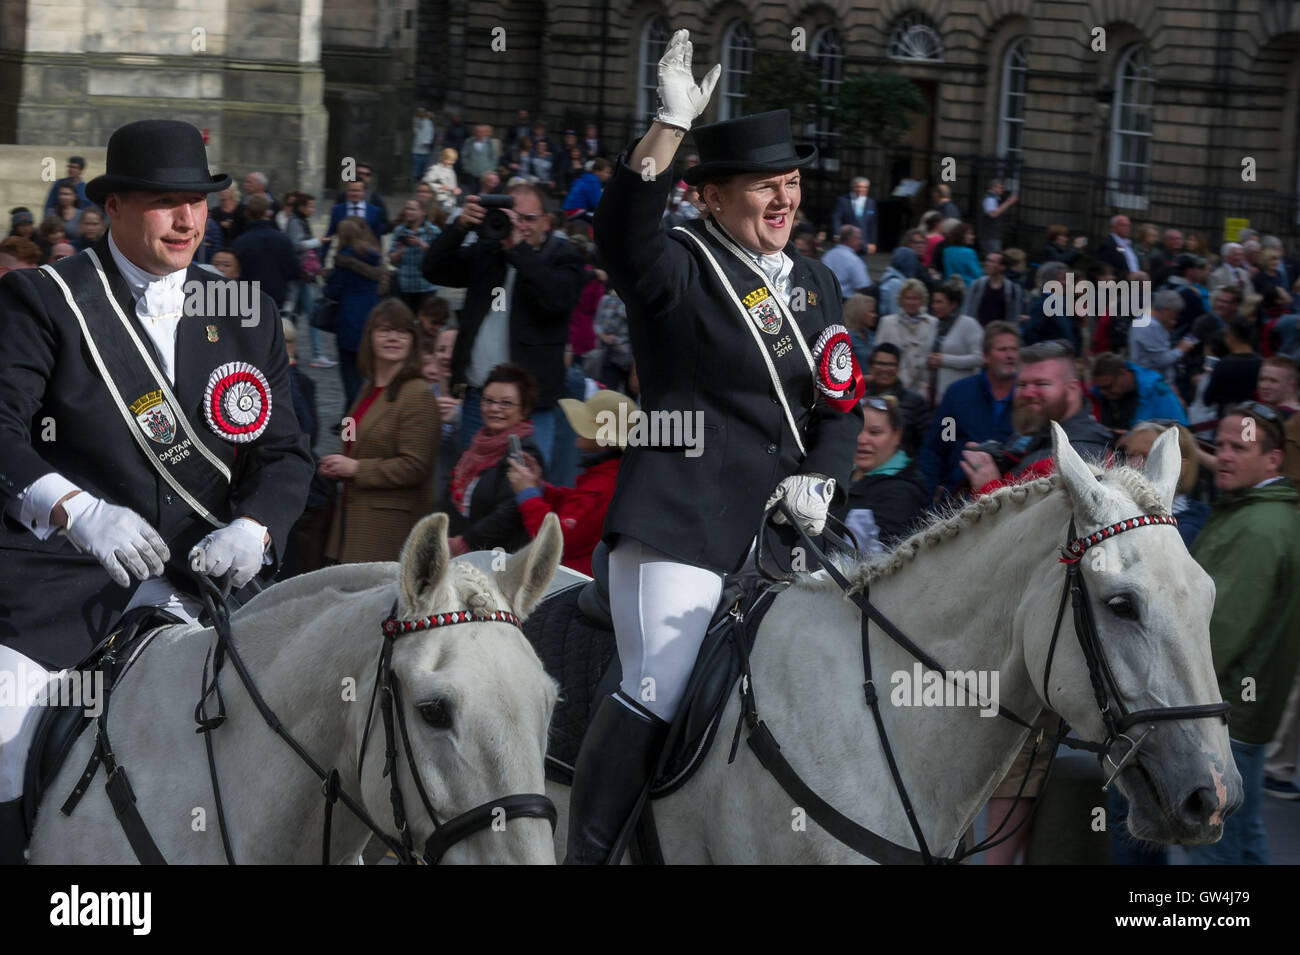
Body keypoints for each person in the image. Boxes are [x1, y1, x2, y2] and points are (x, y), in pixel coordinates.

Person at [572, 30, 863, 865]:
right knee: (659, 686)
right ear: (711, 197)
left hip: (779, 533)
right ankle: (587, 852)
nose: (785, 200)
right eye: (766, 187)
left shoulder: (817, 283)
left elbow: (841, 403)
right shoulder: (682, 266)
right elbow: (622, 235)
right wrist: (667, 127)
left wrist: (824, 479)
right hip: (682, 523)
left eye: (794, 183)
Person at [0, 121, 313, 862]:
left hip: (203, 587)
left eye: (198, 202)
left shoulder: (245, 310)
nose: (187, 220)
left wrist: (257, 529)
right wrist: (77, 510)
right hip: (64, 586)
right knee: (6, 735)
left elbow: (287, 454)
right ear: (112, 207)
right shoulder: (47, 300)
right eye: (165, 202)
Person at [1184, 404, 1300, 864]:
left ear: (1273, 460)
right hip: (1245, 714)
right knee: (1245, 835)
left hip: (1222, 715)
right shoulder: (1252, 510)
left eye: (1240, 447)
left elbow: (1219, 635)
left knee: (1212, 846)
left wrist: (1176, 704)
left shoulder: (1258, 527)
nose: (1225, 457)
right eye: (1221, 446)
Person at [422, 180, 586, 466]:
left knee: (525, 486)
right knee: (472, 486)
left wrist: (519, 250)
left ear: (547, 222)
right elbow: (433, 270)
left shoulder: (564, 257)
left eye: (527, 219)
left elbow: (557, 299)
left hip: (532, 406)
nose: (519, 225)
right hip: (480, 399)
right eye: (512, 217)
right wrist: (460, 226)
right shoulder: (488, 250)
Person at [321, 301, 440, 563]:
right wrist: (338, 462)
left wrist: (355, 469)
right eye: (384, 330)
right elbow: (352, 437)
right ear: (370, 337)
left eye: (402, 331)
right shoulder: (368, 390)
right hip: (354, 520)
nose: (393, 337)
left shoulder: (417, 394)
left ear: (412, 340)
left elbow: (415, 466)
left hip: (388, 527)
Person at [958, 341, 1113, 496]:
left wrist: (989, 488)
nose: (1028, 393)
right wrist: (1000, 458)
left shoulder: (1071, 460)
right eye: (1022, 385)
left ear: (1071, 390)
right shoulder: (1042, 428)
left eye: (1041, 383)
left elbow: (1041, 519)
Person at [506, 389, 631, 575]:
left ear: (606, 440)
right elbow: (575, 506)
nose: (576, 428)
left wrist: (528, 495)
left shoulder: (602, 485)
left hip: (572, 584)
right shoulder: (607, 474)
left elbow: (556, 541)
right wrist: (539, 487)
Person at [439, 362, 546, 556]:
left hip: (494, 558)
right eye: (488, 401)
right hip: (459, 551)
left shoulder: (523, 452)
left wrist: (465, 542)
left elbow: (509, 512)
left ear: (525, 409)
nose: (494, 409)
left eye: (506, 403)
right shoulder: (476, 446)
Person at [919, 321, 1019, 499]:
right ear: (986, 356)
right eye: (1003, 350)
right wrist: (930, 494)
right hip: (958, 496)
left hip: (1013, 497)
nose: (1010, 355)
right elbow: (938, 445)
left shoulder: (1028, 397)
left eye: (1014, 349)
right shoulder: (959, 394)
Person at [835, 395, 927, 551]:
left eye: (875, 432)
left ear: (896, 436)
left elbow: (887, 563)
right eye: (857, 430)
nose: (863, 439)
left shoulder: (902, 493)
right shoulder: (838, 474)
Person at [323, 217, 386, 408]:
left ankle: (352, 426)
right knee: (365, 373)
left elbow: (335, 291)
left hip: (349, 320)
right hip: (372, 318)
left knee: (351, 378)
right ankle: (350, 419)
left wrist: (328, 281)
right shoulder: (374, 257)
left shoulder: (344, 259)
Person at [283, 192, 332, 369]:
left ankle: (290, 352)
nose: (312, 209)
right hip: (299, 276)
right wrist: (317, 242)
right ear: (302, 207)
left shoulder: (298, 220)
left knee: (295, 314)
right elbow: (296, 245)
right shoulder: (296, 222)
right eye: (310, 206)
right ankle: (314, 354)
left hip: (301, 276)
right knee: (298, 314)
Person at [1089, 352, 1189, 435]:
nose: (1103, 392)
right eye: (1099, 388)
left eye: (1108, 386)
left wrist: (1130, 437)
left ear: (1123, 373)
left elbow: (1180, 433)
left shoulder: (1158, 392)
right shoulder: (1098, 395)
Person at [231, 194, 298, 311]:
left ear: (247, 213)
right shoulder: (283, 239)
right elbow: (293, 271)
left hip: (248, 300)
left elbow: (235, 274)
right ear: (268, 212)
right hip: (276, 299)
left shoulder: (241, 242)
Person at [874, 278, 937, 396]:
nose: (911, 302)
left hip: (921, 388)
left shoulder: (933, 323)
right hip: (892, 386)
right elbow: (878, 354)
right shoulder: (887, 322)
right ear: (901, 300)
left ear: (922, 300)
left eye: (916, 298)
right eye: (908, 298)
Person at [865, 342, 928, 456]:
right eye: (880, 363)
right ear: (871, 367)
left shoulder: (915, 402)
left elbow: (925, 443)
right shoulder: (860, 400)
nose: (885, 369)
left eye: (891, 365)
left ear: (898, 368)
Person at [926, 285, 983, 401]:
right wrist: (928, 361)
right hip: (935, 394)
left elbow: (980, 358)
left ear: (953, 304)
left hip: (962, 395)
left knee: (951, 420)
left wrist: (945, 360)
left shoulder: (969, 324)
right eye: (933, 302)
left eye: (939, 302)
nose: (934, 306)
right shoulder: (934, 324)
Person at [1129, 289, 1196, 386]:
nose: (1175, 319)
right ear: (1167, 310)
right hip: (1152, 384)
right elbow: (1161, 360)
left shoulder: (1146, 321)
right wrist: (1181, 349)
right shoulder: (1150, 325)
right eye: (1175, 314)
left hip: (1151, 381)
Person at [388, 198, 440, 313]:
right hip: (404, 287)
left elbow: (438, 257)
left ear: (422, 212)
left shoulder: (433, 230)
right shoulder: (399, 231)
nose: (408, 211)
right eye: (407, 208)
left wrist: (420, 244)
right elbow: (392, 261)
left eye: (412, 209)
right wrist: (398, 252)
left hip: (426, 287)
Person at [1203, 317, 1262, 415]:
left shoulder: (1223, 365)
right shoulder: (1262, 363)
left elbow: (1208, 399)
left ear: (1231, 336)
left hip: (1227, 418)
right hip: (1254, 418)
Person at [323, 179, 388, 255]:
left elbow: (378, 239)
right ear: (347, 191)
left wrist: (379, 259)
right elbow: (329, 236)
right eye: (351, 190)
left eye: (357, 191)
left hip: (367, 259)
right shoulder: (337, 210)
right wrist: (321, 261)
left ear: (364, 192)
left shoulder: (375, 211)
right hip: (343, 260)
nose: (354, 194)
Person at [962, 250, 1025, 327]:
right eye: (987, 260)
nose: (987, 264)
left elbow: (1013, 318)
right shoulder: (977, 285)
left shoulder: (1013, 289)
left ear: (1002, 266)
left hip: (999, 334)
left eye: (992, 262)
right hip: (976, 332)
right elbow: (967, 310)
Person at [821, 225, 872, 298]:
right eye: (859, 238)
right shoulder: (853, 260)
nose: (861, 242)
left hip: (826, 300)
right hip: (846, 304)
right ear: (850, 239)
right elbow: (862, 286)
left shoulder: (827, 255)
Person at [830, 177, 877, 254]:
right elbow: (836, 219)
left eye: (864, 187)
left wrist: (872, 242)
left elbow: (872, 224)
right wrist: (837, 234)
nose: (861, 189)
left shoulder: (871, 202)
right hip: (846, 240)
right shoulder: (842, 200)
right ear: (852, 187)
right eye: (858, 187)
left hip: (862, 242)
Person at [979, 179, 1017, 254]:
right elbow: (993, 214)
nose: (1003, 190)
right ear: (993, 188)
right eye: (1000, 188)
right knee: (994, 257)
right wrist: (1009, 202)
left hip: (991, 236)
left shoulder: (994, 198)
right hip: (990, 236)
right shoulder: (990, 198)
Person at [941, 222, 981, 287]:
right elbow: (977, 274)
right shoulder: (969, 252)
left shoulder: (946, 251)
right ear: (962, 236)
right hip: (967, 287)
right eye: (970, 234)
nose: (973, 237)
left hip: (949, 286)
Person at [423, 148, 461, 214]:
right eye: (450, 160)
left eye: (453, 160)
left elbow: (452, 185)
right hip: (440, 199)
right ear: (443, 158)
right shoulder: (435, 169)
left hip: (451, 200)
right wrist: (440, 187)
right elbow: (425, 182)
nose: (452, 162)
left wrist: (455, 189)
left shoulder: (451, 170)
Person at [412, 106, 436, 185]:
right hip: (416, 147)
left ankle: (419, 177)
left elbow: (430, 133)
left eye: (422, 113)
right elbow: (415, 131)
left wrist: (428, 141)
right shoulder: (416, 121)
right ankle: (415, 178)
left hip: (425, 148)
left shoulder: (428, 123)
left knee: (422, 164)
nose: (420, 114)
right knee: (416, 164)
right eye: (419, 113)